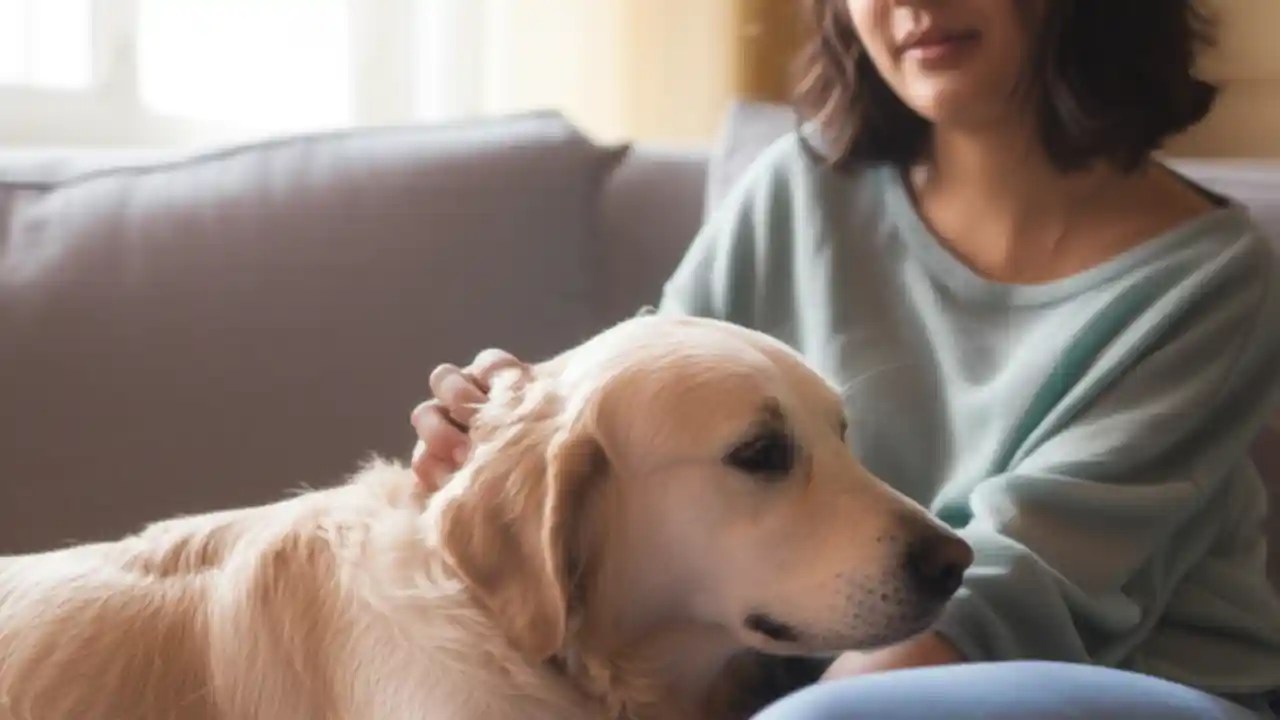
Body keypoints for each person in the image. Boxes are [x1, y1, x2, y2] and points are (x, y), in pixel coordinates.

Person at [410, 0, 1280, 717]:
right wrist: (501, 444)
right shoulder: (799, 190)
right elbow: (644, 438)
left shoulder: (1211, 280)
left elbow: (1018, 588)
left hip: (1134, 690)